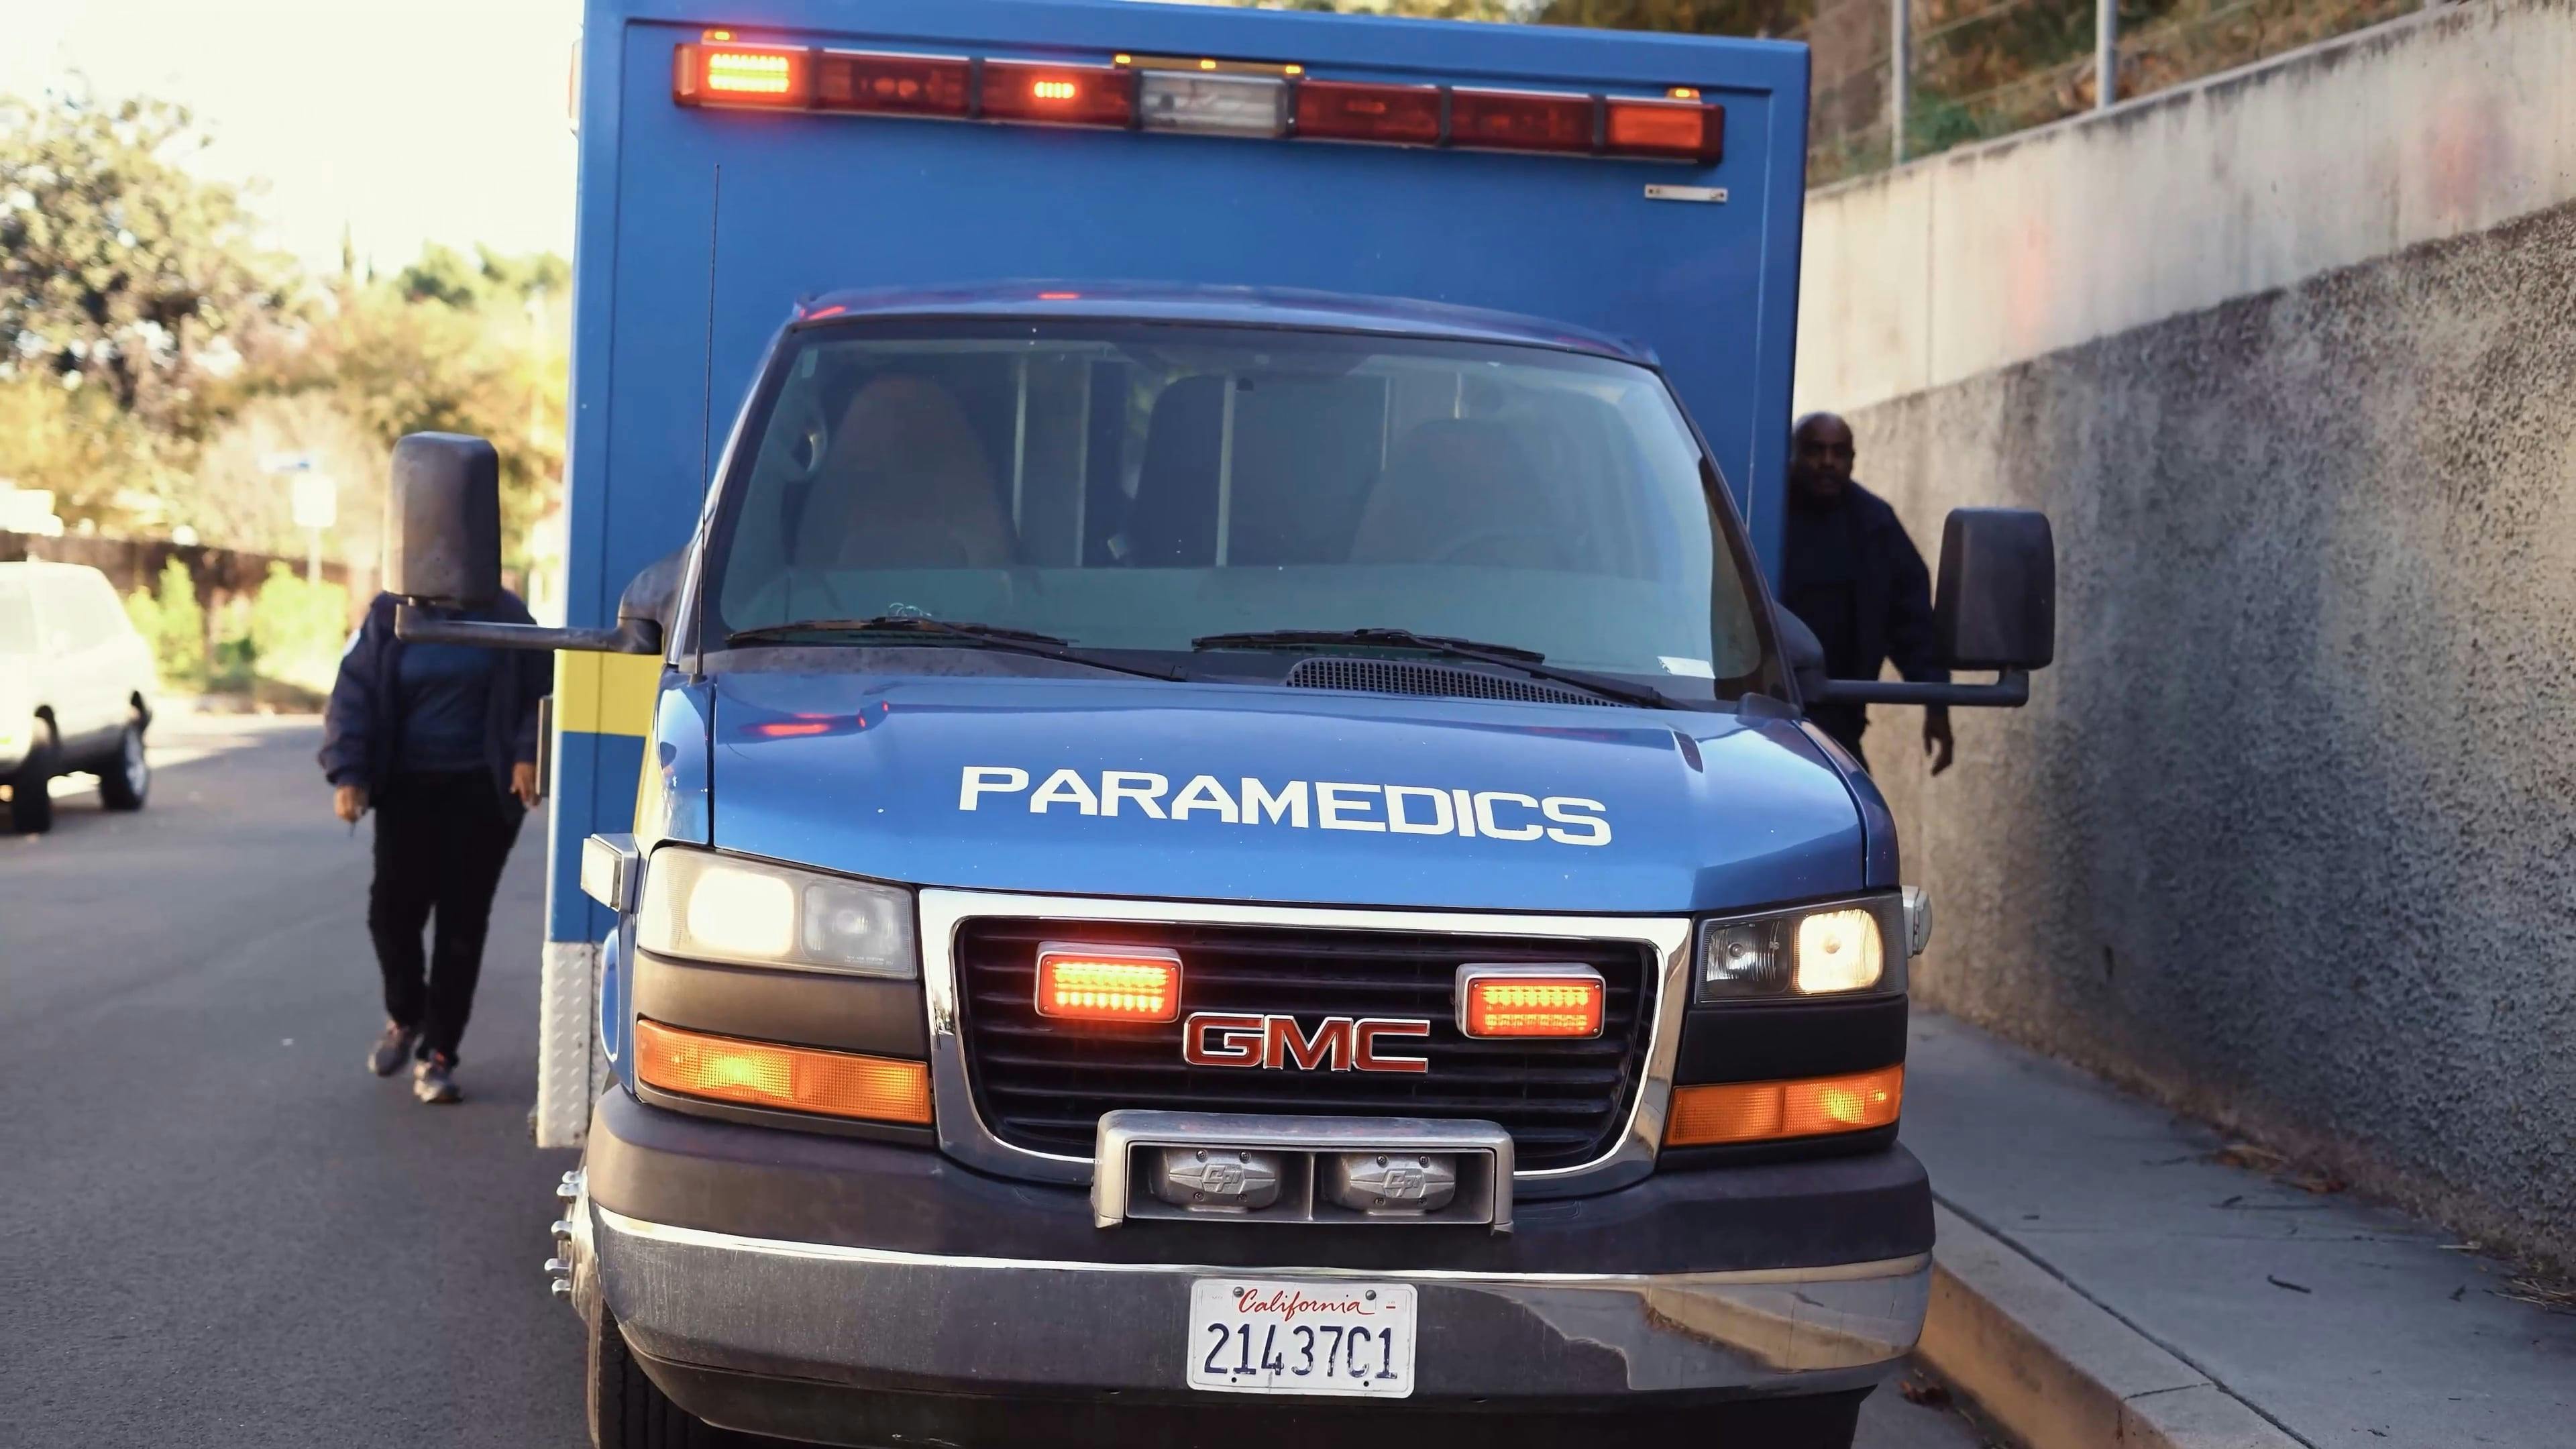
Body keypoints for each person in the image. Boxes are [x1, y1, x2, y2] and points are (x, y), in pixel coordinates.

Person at [320, 590, 550, 1104]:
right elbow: (352, 693)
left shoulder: (508, 616)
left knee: (461, 925)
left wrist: (526, 753)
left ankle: (438, 1055)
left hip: (483, 792)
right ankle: (406, 1016)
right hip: (408, 788)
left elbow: (543, 690)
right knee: (391, 915)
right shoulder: (389, 613)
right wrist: (349, 774)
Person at [1777, 412, 1953, 775]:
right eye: (1815, 451)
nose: (1827, 462)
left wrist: (1937, 703)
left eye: (1838, 452)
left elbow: (1913, 623)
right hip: (1757, 717)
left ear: (1853, 459)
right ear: (1792, 454)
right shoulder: (1763, 511)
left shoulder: (1875, 526)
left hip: (1836, 720)